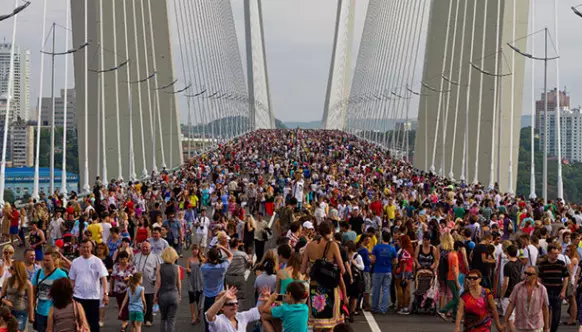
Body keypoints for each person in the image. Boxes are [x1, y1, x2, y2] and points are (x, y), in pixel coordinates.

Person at [301, 221, 346, 329]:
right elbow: (342, 270)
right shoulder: (333, 245)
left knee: (317, 323)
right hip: (329, 287)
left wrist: (313, 269)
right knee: (330, 324)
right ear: (330, 232)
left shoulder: (309, 246)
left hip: (315, 287)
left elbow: (302, 270)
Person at [69, 239, 109, 332]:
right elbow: (72, 280)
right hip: (78, 296)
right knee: (78, 322)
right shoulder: (75, 262)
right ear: (80, 248)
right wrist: (70, 294)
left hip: (93, 297)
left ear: (91, 248)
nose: (85, 249)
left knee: (93, 323)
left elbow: (103, 278)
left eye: (88, 247)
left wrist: (105, 294)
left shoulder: (97, 261)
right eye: (83, 247)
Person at [504, 265, 550, 332]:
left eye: (529, 274)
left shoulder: (542, 289)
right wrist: (505, 322)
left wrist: (547, 327)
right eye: (525, 273)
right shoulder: (518, 287)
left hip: (536, 326)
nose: (526, 275)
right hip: (520, 326)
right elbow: (511, 305)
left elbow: (545, 308)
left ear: (536, 275)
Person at [32, 249, 68, 332]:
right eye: (44, 260)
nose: (45, 262)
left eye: (48, 260)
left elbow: (66, 295)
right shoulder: (38, 273)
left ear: (54, 261)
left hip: (56, 313)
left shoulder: (61, 274)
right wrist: (32, 311)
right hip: (40, 312)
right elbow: (33, 292)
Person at [201, 245, 233, 332]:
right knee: (221, 321)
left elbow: (203, 262)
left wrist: (208, 255)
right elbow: (230, 255)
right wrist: (221, 247)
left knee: (208, 320)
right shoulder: (222, 267)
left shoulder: (204, 268)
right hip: (220, 297)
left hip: (208, 297)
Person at [537, 244, 569, 332]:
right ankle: (545, 328)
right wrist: (539, 291)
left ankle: (553, 330)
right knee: (544, 311)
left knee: (556, 313)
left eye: (557, 253)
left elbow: (566, 278)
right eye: (553, 253)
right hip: (546, 291)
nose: (556, 255)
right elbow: (539, 279)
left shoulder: (561, 264)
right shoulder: (543, 264)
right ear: (548, 253)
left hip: (558, 291)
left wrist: (563, 291)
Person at [0, 261, 34, 332]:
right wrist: (5, 301)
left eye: (12, 268)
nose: (9, 269)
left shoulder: (27, 283)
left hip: (21, 311)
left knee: (18, 330)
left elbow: (30, 301)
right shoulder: (7, 280)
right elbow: (1, 296)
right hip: (7, 311)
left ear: (18, 269)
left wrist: (31, 315)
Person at [154, 247, 181, 332]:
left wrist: (155, 295)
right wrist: (179, 295)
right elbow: (178, 283)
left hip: (163, 295)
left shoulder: (159, 267)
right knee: (171, 319)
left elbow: (158, 283)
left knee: (163, 318)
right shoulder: (177, 267)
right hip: (174, 295)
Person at [370, 231, 397, 315]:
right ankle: (383, 309)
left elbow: (373, 260)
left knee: (376, 290)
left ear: (382, 238)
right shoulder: (392, 248)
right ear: (389, 239)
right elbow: (395, 261)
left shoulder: (376, 247)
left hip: (378, 270)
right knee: (386, 290)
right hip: (388, 270)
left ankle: (374, 307)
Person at [111, 251, 136, 332]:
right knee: (121, 306)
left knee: (127, 306)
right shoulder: (115, 266)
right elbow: (112, 277)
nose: (123, 261)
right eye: (121, 259)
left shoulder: (132, 267)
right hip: (118, 290)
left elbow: (136, 278)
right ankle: (126, 321)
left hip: (129, 290)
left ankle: (125, 324)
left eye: (125, 259)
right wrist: (110, 288)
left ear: (128, 258)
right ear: (118, 259)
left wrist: (129, 278)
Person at [500, 245, 523, 332]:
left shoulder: (507, 265)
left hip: (509, 293)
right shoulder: (519, 263)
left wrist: (502, 295)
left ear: (507, 253)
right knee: (515, 316)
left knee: (509, 318)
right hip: (518, 292)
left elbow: (506, 283)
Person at [186, 245, 204, 325]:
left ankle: (199, 314)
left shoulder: (202, 259)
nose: (194, 251)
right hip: (191, 280)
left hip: (200, 281)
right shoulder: (189, 259)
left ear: (198, 250)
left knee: (199, 300)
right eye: (193, 249)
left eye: (196, 249)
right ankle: (193, 316)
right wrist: (188, 270)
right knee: (191, 299)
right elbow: (187, 268)